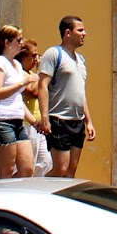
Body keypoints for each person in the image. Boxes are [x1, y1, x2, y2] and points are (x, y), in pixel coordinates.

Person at [36, 15, 95, 178]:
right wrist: (45, 117)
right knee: (60, 168)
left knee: (71, 170)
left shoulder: (81, 60)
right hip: (59, 120)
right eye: (80, 30)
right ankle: (41, 192)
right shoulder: (54, 54)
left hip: (77, 121)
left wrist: (88, 121)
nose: (85, 33)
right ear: (68, 33)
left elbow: (81, 92)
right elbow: (42, 85)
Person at [0, 24, 35, 178]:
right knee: (6, 171)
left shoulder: (16, 64)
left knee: (27, 168)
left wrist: (33, 121)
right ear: (7, 43)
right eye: (18, 39)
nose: (21, 43)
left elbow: (17, 98)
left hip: (18, 121)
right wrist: (23, 83)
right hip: (2, 121)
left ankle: (13, 194)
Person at [18, 42, 53, 177]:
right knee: (29, 163)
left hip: (37, 125)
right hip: (27, 125)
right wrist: (41, 72)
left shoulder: (31, 74)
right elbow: (33, 91)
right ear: (23, 57)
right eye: (33, 56)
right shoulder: (20, 74)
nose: (36, 59)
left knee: (46, 162)